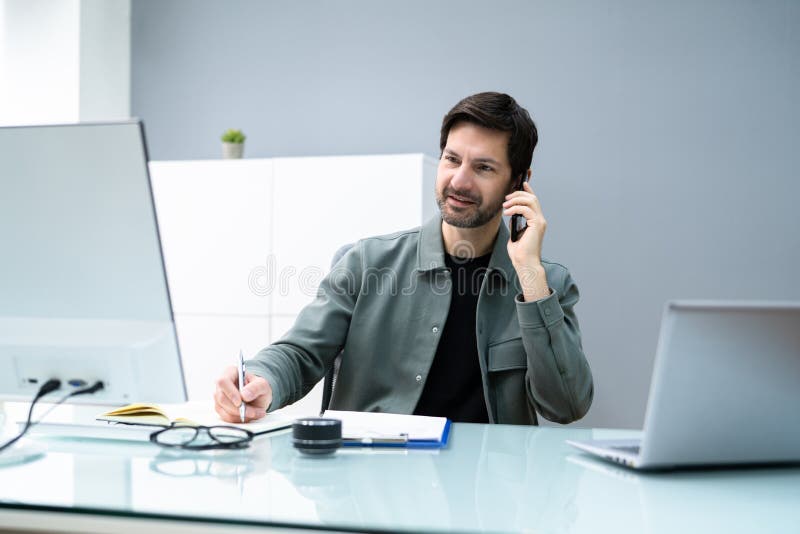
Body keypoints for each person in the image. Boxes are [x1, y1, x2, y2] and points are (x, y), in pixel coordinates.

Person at [214, 92, 593, 425]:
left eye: (483, 168)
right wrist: (260, 380)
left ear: (518, 183)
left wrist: (529, 275)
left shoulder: (547, 284)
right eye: (452, 159)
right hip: (371, 487)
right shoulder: (366, 262)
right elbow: (301, 351)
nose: (459, 181)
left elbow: (567, 405)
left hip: (490, 498)